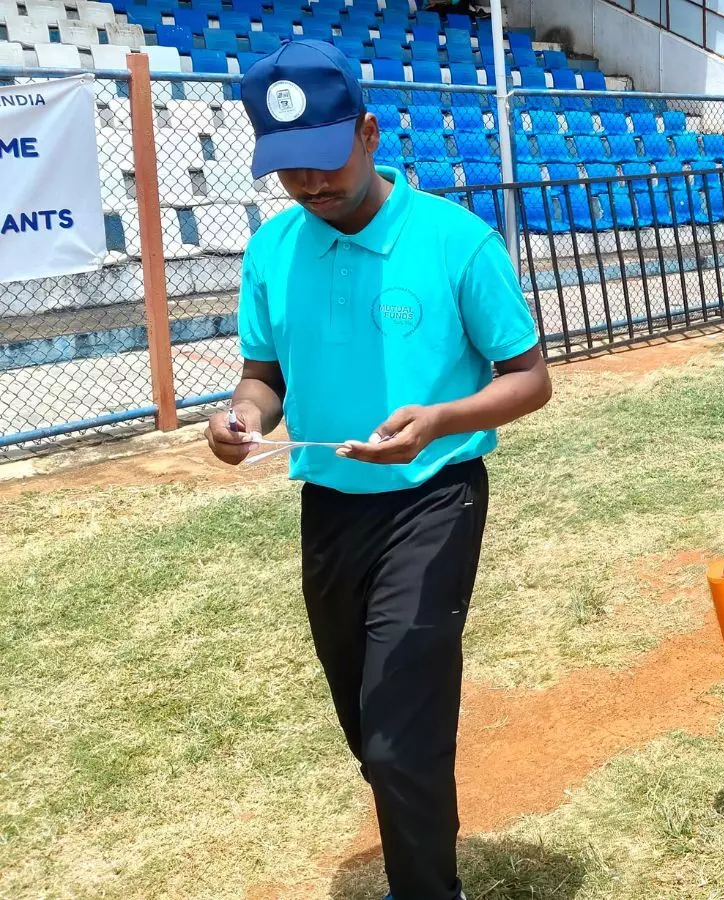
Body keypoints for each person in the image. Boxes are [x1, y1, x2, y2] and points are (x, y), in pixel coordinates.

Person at [204, 42, 552, 900]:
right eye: (288, 168)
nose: (309, 184)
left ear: (367, 132)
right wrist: (242, 418)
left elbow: (530, 379)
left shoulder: (456, 242)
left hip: (432, 500)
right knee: (367, 724)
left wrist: (439, 421)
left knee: (401, 733)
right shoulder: (272, 250)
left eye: (325, 159)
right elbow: (264, 376)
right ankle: (418, 822)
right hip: (329, 506)